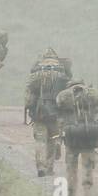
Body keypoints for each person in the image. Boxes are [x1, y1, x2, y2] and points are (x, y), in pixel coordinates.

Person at [55, 78, 98, 196]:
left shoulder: (63, 96)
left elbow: (59, 116)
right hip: (89, 139)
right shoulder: (92, 94)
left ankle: (71, 194)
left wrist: (59, 137)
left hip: (71, 139)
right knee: (88, 167)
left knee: (71, 167)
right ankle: (88, 193)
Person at [23, 48, 71, 177]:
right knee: (53, 139)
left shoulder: (37, 73)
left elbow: (29, 94)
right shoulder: (63, 74)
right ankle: (50, 167)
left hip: (40, 113)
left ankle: (41, 166)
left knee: (40, 140)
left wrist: (29, 107)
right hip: (57, 114)